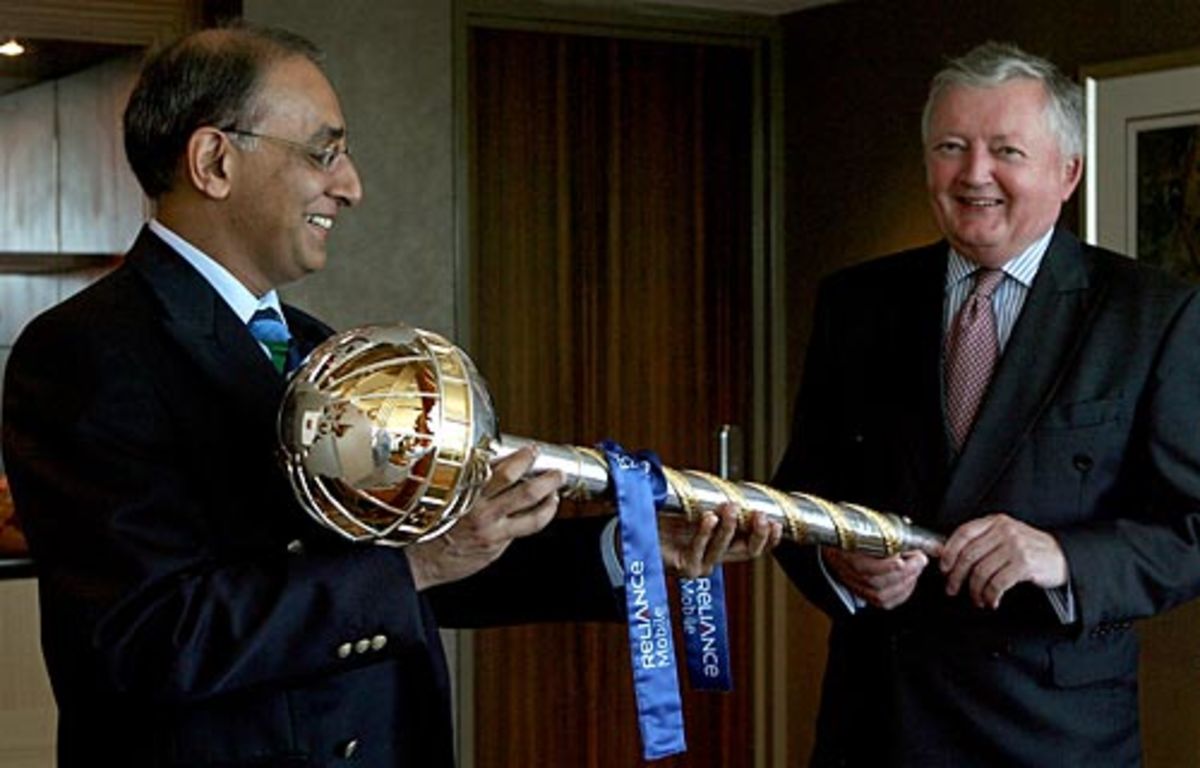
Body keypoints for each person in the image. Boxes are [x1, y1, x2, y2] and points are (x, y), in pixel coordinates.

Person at [1, 25, 778, 767]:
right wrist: (419, 563)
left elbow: (418, 558)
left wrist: (636, 546)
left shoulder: (313, 344)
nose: (351, 187)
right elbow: (145, 638)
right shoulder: (85, 350)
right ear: (213, 161)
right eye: (324, 152)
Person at [772, 41, 1200, 767]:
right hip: (878, 724)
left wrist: (1063, 557)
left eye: (1006, 150)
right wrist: (837, 561)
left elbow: (1191, 528)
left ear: (1069, 172)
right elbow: (798, 493)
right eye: (951, 147)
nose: (975, 175)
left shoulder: (1153, 314)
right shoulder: (855, 302)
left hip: (1051, 734)